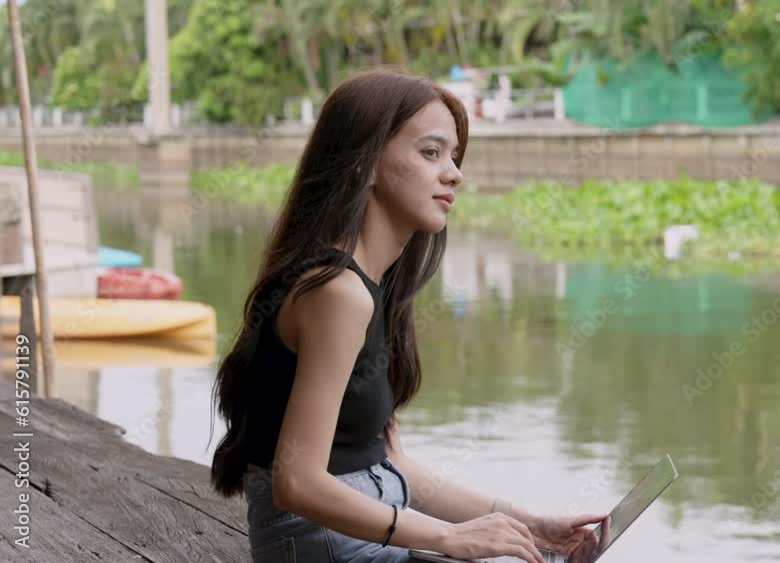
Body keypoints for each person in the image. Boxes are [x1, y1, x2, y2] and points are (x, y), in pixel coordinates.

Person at [209, 68, 606, 563]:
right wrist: (448, 539)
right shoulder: (337, 293)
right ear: (365, 163)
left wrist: (532, 525)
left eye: (454, 157)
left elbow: (394, 465)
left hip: (361, 531)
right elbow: (296, 483)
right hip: (326, 544)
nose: (454, 173)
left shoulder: (372, 291)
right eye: (430, 152)